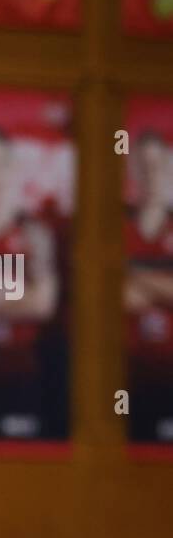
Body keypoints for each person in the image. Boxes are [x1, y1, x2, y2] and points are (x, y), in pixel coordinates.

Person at [0, 124, 68, 441]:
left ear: (12, 167)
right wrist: (15, 291)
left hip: (22, 374)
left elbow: (43, 303)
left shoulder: (33, 234)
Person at [121, 130, 173, 445]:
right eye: (144, 166)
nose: (151, 175)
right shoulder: (115, 227)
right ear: (132, 171)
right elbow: (107, 293)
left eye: (159, 166)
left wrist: (135, 279)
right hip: (125, 377)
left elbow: (125, 289)